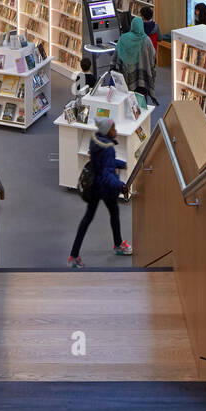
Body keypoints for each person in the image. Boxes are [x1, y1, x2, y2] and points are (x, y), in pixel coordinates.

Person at [68, 117, 133, 267]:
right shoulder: (109, 148)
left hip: (93, 186)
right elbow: (107, 174)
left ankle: (74, 255)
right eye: (113, 129)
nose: (116, 131)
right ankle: (118, 245)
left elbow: (102, 163)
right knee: (114, 213)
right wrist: (120, 185)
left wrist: (121, 164)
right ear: (107, 132)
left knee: (87, 220)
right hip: (105, 189)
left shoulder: (95, 141)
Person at [115, 16, 157, 104]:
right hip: (143, 78)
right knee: (141, 102)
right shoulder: (147, 40)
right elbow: (153, 56)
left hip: (127, 77)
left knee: (127, 102)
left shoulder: (123, 39)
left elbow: (117, 56)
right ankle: (141, 114)